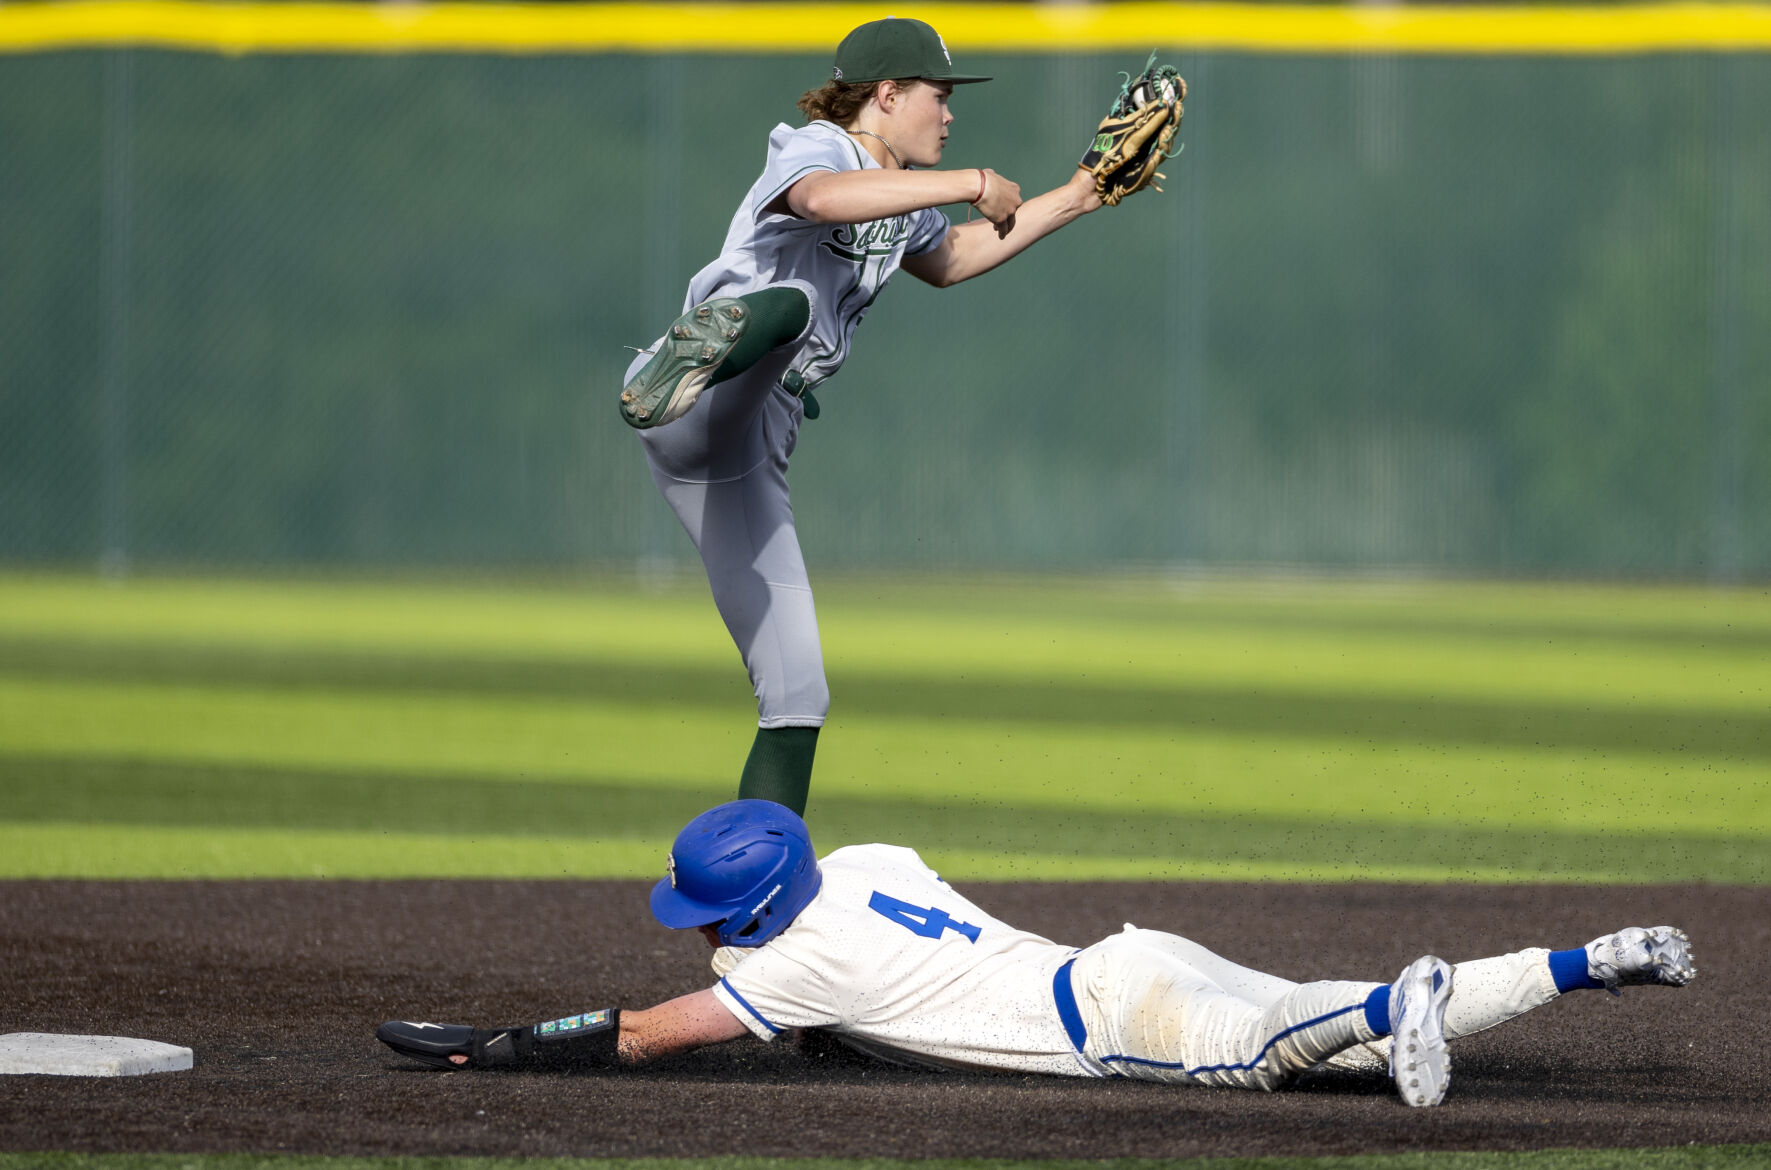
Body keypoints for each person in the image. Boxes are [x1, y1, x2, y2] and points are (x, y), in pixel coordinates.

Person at [614, 18, 1146, 817]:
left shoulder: (901, 200)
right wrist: (969, 180)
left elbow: (951, 260)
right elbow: (823, 201)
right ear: (886, 95)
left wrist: (1075, 196)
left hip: (749, 447)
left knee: (797, 696)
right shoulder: (818, 146)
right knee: (791, 307)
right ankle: (700, 345)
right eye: (938, 96)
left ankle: (764, 913)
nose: (949, 113)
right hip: (702, 392)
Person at [378, 801, 1698, 1107]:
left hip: (1112, 1019)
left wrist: (490, 1043)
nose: (702, 929)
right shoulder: (875, 865)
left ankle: (1391, 997)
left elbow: (649, 1032)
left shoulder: (782, 972)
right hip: (1123, 953)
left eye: (710, 913)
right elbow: (868, 987)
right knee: (1300, 1005)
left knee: (1275, 1053)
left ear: (749, 908)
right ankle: (1595, 955)